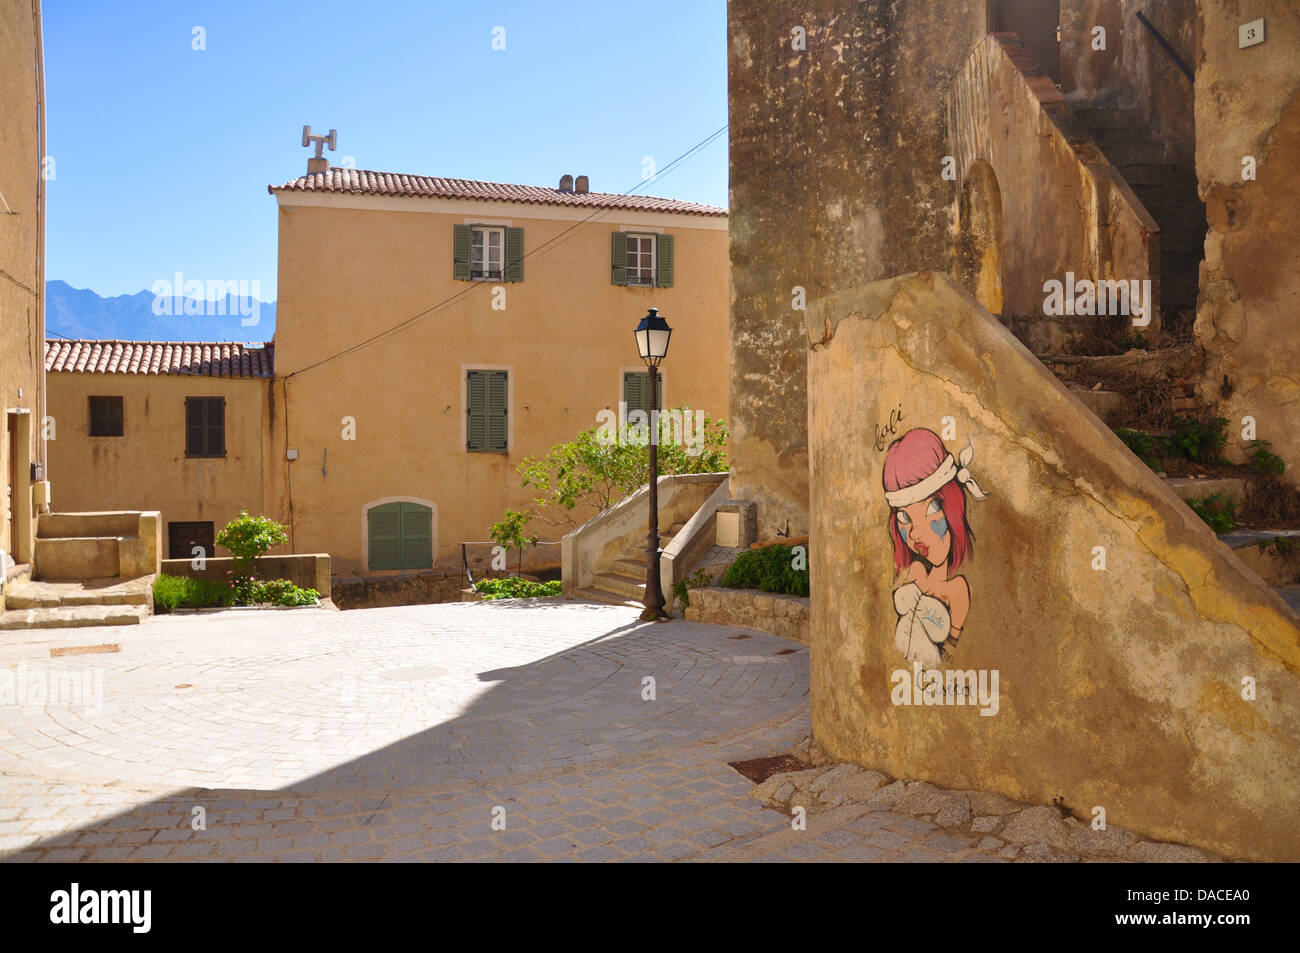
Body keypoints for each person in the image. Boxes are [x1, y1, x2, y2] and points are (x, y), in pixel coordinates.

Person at [882, 428, 986, 665]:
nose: (916, 533)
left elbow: (949, 659)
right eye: (904, 518)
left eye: (931, 509)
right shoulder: (915, 573)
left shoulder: (957, 590)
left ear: (953, 507)